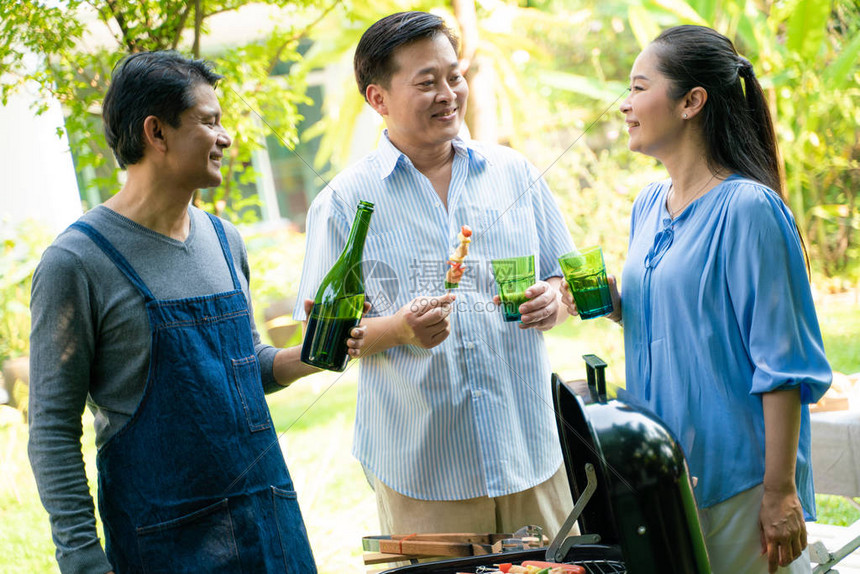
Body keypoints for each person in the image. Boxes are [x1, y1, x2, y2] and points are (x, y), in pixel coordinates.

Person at [28, 51, 367, 574]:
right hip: (162, 544)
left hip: (269, 526)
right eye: (209, 122)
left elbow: (241, 369)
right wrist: (81, 559)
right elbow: (51, 429)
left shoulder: (224, 240)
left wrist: (316, 352)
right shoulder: (77, 261)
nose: (225, 137)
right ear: (156, 133)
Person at [293, 11, 576, 539]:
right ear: (378, 98)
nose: (448, 93)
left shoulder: (512, 172)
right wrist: (397, 331)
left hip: (529, 452)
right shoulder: (341, 203)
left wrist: (554, 301)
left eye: (454, 76)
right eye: (427, 82)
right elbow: (322, 341)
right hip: (422, 473)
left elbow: (566, 281)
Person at [562, 25, 831, 573]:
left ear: (691, 102)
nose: (625, 105)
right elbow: (680, 311)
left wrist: (780, 493)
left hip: (742, 480)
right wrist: (612, 300)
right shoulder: (648, 205)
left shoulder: (748, 209)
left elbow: (781, 365)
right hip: (666, 472)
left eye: (638, 88)